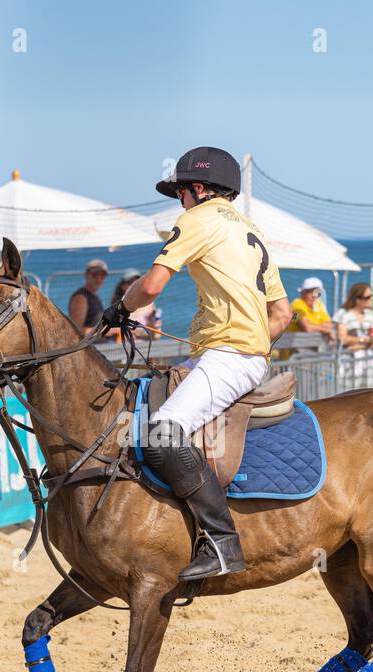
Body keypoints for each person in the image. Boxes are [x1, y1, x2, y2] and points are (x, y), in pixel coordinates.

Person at [100, 146, 290, 580]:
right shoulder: (251, 231)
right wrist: (252, 342)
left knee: (161, 435)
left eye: (181, 194)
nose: (179, 203)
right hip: (235, 354)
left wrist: (118, 311)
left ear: (199, 189)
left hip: (228, 358)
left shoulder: (197, 219)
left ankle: (223, 543)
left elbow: (150, 287)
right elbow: (281, 315)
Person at [332, 283, 373, 391]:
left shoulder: (371, 315)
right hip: (350, 362)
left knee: (370, 391)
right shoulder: (344, 314)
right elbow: (343, 339)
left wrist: (358, 344)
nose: (371, 299)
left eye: (372, 296)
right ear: (358, 299)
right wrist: (365, 340)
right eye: (368, 297)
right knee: (350, 392)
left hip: (369, 360)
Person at [288, 277, 337, 343]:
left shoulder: (318, 305)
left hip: (312, 347)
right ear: (303, 293)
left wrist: (315, 326)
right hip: (295, 349)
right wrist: (325, 329)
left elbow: (330, 325)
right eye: (310, 292)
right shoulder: (297, 305)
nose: (314, 295)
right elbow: (307, 328)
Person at [69, 259, 108, 331]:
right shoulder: (80, 298)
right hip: (93, 342)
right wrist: (107, 331)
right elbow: (76, 330)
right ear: (86, 275)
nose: (99, 279)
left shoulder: (94, 296)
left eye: (102, 275)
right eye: (94, 275)